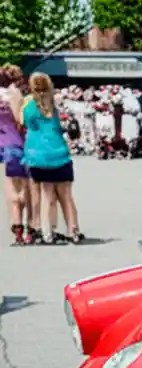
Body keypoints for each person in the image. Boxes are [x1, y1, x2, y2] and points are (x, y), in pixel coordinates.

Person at [21, 72, 82, 244]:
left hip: (37, 155)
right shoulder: (56, 105)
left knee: (46, 195)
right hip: (59, 153)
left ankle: (47, 232)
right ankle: (73, 230)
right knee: (66, 195)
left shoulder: (29, 108)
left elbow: (27, 124)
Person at [0, 65, 34, 244]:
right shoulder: (13, 95)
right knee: (24, 189)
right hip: (17, 144)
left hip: (2, 143)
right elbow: (19, 121)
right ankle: (27, 226)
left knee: (9, 189)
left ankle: (17, 226)